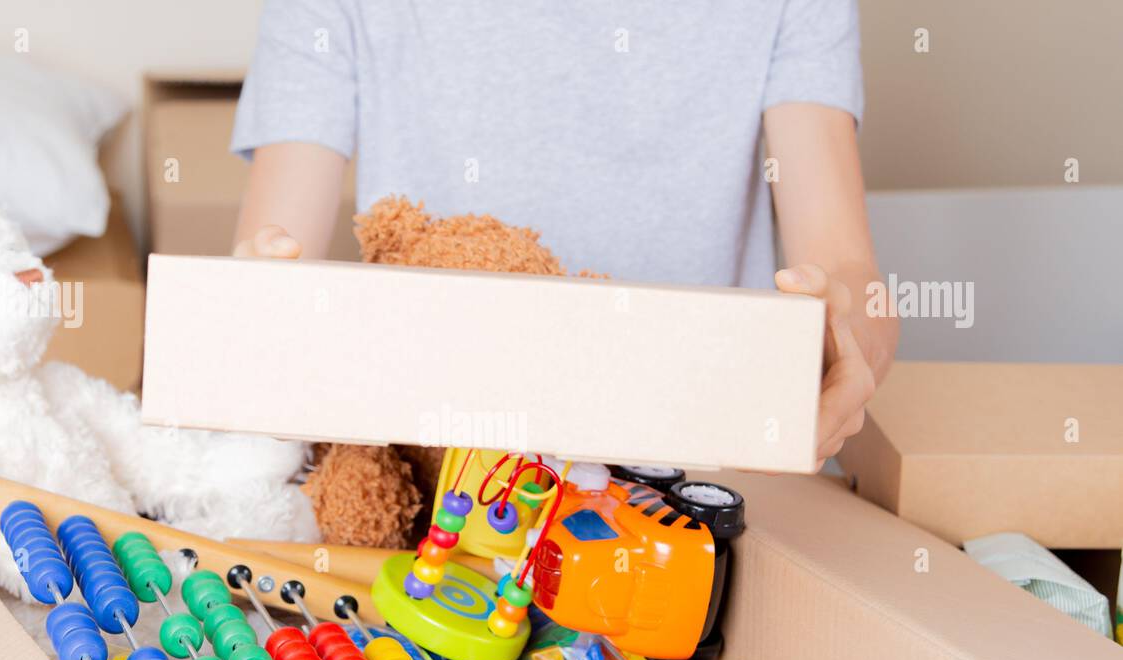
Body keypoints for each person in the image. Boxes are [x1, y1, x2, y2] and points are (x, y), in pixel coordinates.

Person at [230, 1, 897, 463]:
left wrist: (837, 348)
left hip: (700, 482)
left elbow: (843, 270)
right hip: (439, 486)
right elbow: (271, 259)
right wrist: (261, 314)